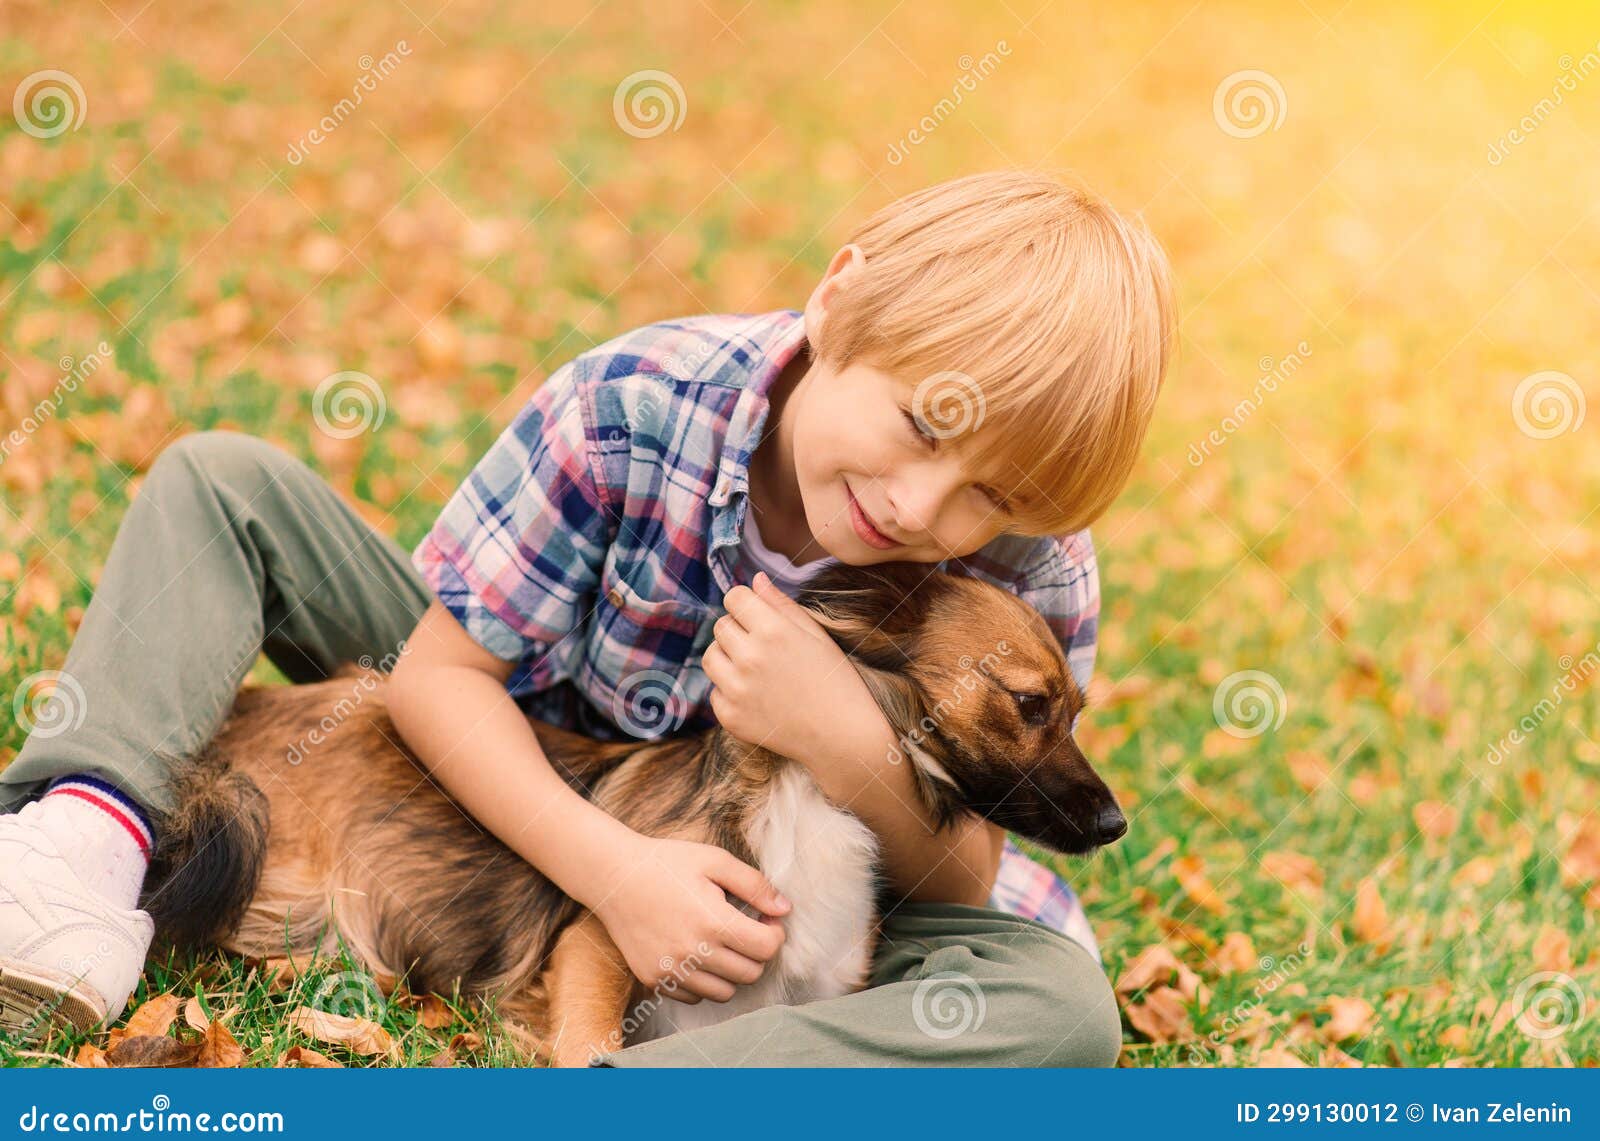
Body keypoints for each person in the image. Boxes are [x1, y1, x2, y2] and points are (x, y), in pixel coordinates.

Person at [0, 169, 1175, 1065]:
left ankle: (661, 1081)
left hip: (818, 878)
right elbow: (435, 675)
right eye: (924, 426)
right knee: (224, 484)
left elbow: (962, 881)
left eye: (995, 496)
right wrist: (614, 872)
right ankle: (80, 843)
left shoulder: (1029, 567)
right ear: (838, 297)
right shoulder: (635, 401)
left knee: (1063, 1011)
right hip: (482, 731)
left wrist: (845, 740)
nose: (923, 507)